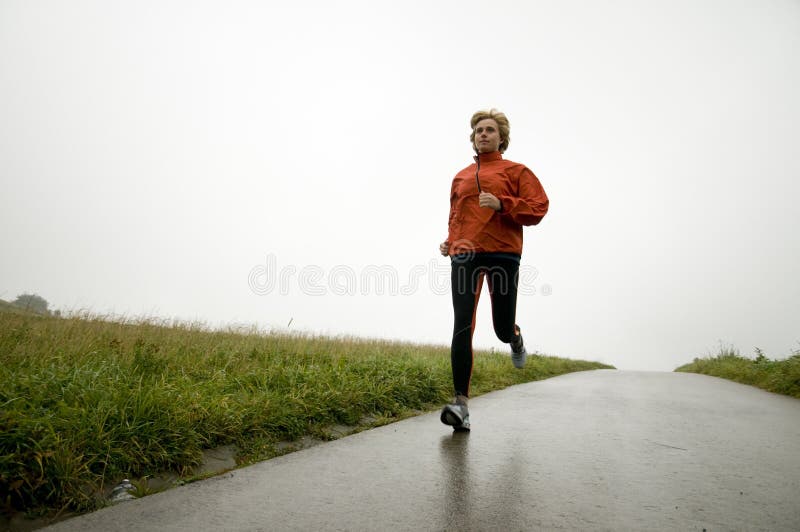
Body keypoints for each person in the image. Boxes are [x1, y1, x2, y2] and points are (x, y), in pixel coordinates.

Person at [438, 108, 549, 431]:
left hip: (503, 254)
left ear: (502, 138)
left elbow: (539, 207)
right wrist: (449, 242)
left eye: (489, 130)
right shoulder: (459, 177)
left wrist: (503, 204)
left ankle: (514, 337)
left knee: (500, 327)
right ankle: (461, 405)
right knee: (462, 324)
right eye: (478, 131)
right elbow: (456, 216)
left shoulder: (517, 171)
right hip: (465, 254)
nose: (483, 134)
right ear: (472, 139)